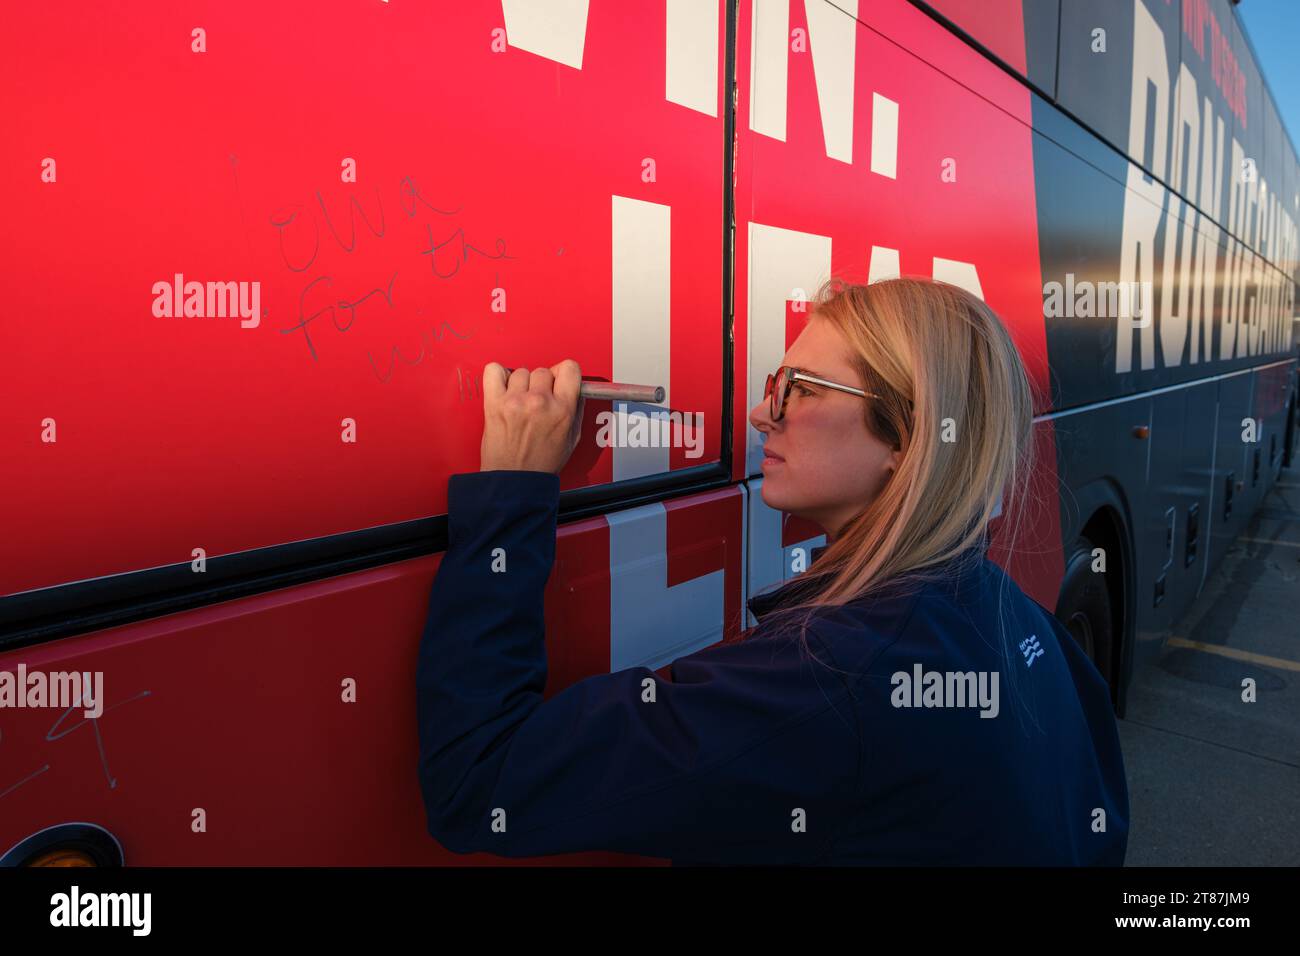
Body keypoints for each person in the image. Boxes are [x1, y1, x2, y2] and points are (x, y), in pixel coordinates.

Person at [415, 276, 1129, 865]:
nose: (762, 413)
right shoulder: (1022, 622)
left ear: (905, 437)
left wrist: (510, 492)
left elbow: (484, 787)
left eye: (802, 389)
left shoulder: (830, 680)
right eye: (772, 384)